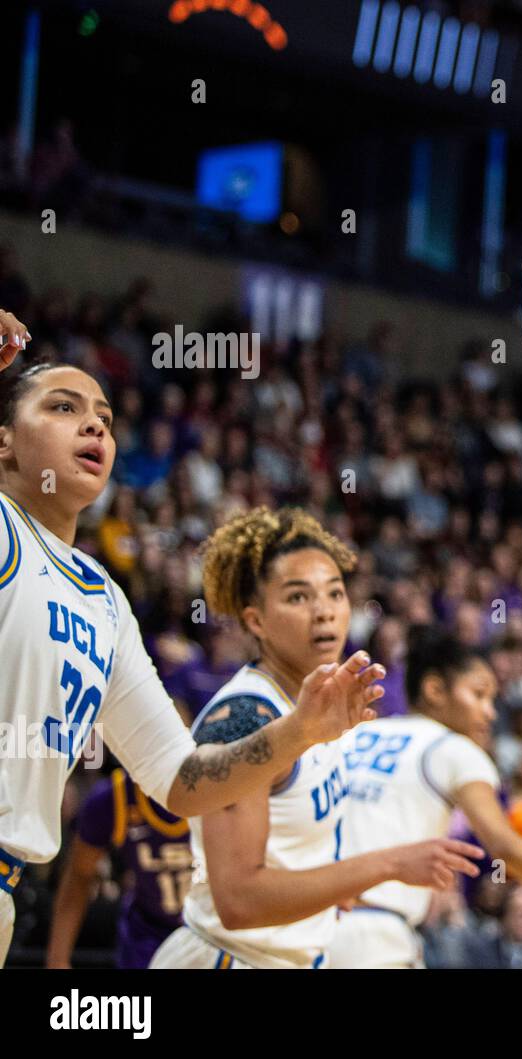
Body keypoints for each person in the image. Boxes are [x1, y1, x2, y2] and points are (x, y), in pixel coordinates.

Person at [0, 322, 383, 967]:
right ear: (3, 441)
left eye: (105, 416)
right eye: (64, 408)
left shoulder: (103, 598)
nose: (96, 426)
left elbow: (181, 782)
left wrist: (301, 730)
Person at [150, 509, 483, 969]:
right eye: (298, 596)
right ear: (256, 621)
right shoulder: (245, 717)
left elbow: (293, 851)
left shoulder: (318, 707)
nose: (324, 609)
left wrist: (327, 896)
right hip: (227, 958)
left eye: (335, 593)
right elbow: (239, 900)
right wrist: (386, 865)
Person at [329, 629, 522, 968]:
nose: (490, 713)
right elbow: (505, 847)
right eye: (479, 695)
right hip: (375, 933)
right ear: (435, 690)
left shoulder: (354, 734)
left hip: (306, 922)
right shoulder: (453, 746)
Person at [46, 765, 193, 968]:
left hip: (212, 930)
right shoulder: (112, 797)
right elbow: (79, 876)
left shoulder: (222, 789)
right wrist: (58, 960)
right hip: (147, 933)